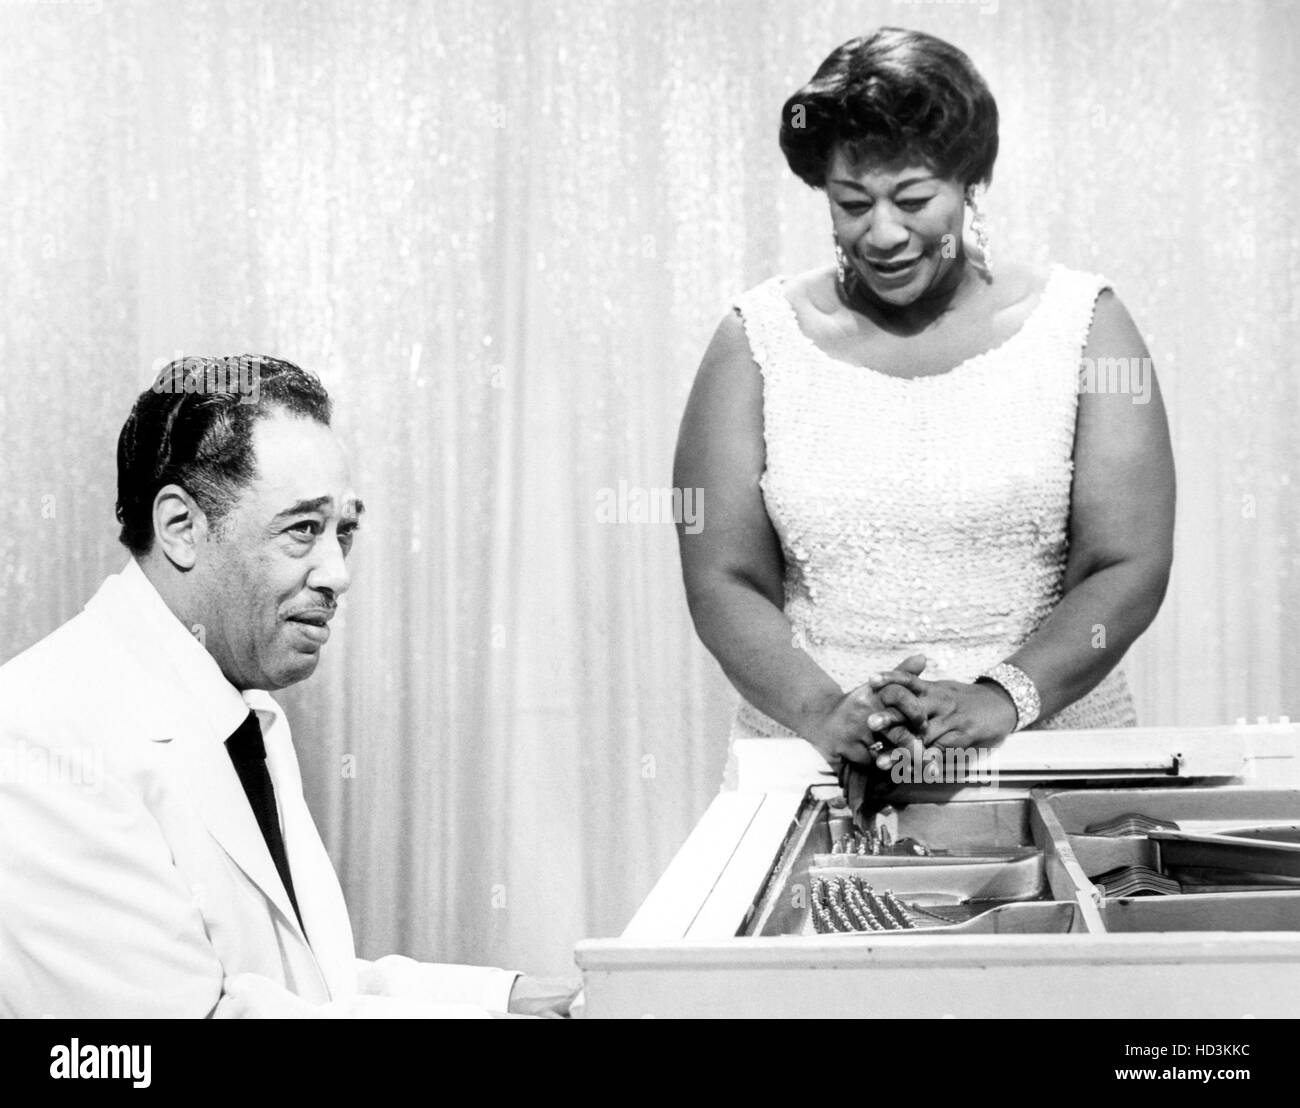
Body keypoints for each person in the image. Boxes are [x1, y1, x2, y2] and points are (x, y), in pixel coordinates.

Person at [673, 27, 1175, 788]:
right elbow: (724, 579)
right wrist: (826, 713)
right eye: (852, 203)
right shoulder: (755, 339)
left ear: (969, 180)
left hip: (1049, 752)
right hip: (820, 761)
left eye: (912, 198)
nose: (882, 233)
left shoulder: (1084, 324)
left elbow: (1126, 561)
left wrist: (1002, 697)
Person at [0, 356, 575, 1018]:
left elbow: (304, 985)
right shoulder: (41, 737)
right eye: (304, 529)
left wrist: (507, 1000)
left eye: (343, 533)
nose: (337, 573)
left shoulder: (236, 706)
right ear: (181, 527)